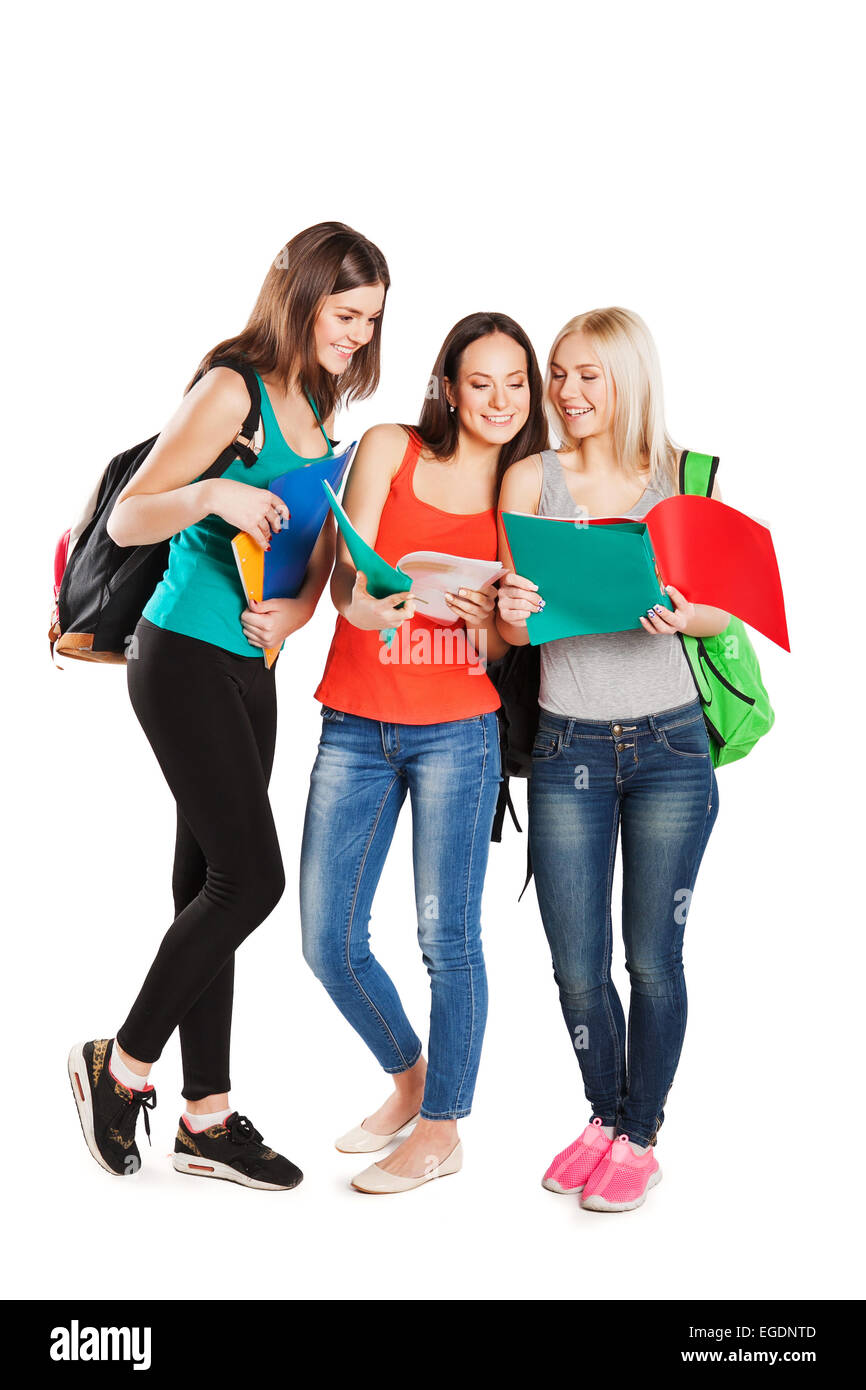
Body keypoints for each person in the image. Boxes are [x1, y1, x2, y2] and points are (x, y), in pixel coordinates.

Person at [68, 222, 389, 1191]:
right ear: (299, 301)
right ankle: (119, 1066)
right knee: (252, 881)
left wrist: (292, 610)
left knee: (207, 886)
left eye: (370, 319)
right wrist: (214, 493)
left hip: (252, 665)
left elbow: (316, 549)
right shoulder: (230, 388)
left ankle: (205, 1116)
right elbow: (130, 514)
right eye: (343, 315)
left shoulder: (321, 403)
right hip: (182, 657)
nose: (356, 336)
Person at [300, 312, 548, 1193]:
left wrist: (499, 628)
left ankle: (442, 1126)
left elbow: (505, 650)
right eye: (479, 382)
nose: (499, 400)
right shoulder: (388, 447)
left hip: (459, 734)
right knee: (328, 939)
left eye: (515, 382)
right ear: (446, 384)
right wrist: (361, 607)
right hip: (356, 722)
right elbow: (343, 575)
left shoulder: (524, 487)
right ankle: (409, 1076)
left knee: (450, 939)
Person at [496, 307, 728, 1212]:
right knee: (575, 963)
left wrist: (681, 609)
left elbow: (720, 612)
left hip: (670, 743)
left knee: (653, 959)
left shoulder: (677, 479)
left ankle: (641, 1132)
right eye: (558, 374)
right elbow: (514, 627)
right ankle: (603, 1114)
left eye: (587, 374)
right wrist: (513, 603)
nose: (566, 391)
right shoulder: (531, 478)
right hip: (567, 743)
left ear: (629, 378)